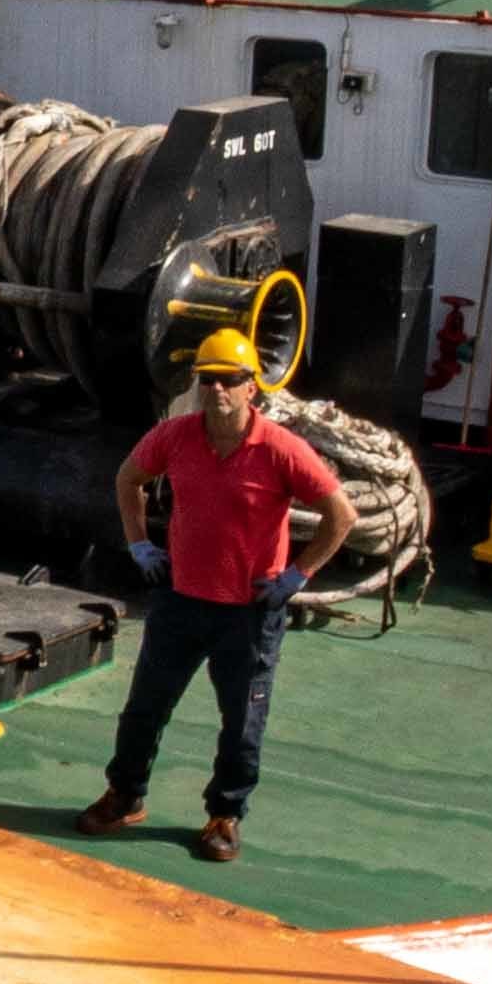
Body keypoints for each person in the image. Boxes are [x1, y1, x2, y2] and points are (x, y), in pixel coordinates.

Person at [70, 329, 353, 866]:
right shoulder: (176, 437)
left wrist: (297, 576)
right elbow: (129, 478)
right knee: (144, 709)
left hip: (248, 613)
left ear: (253, 388)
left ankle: (225, 814)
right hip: (180, 600)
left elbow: (341, 515)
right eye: (208, 379)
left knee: (242, 723)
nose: (217, 389)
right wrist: (138, 543)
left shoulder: (281, 450)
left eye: (230, 380)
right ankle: (125, 795)